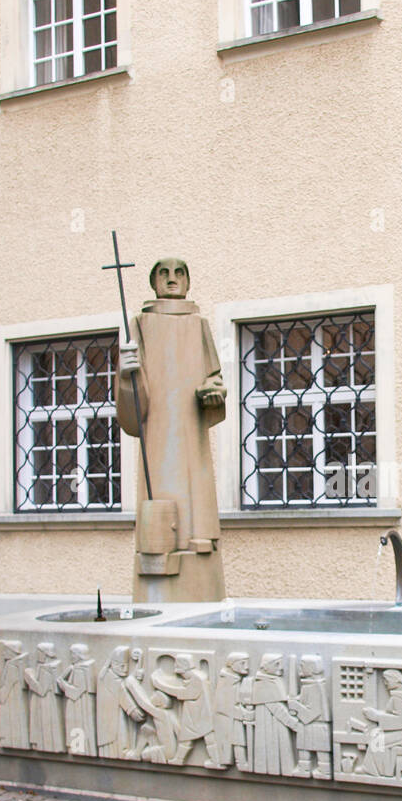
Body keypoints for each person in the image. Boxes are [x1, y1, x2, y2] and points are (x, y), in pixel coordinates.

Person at [117, 258, 227, 603]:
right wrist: (126, 377)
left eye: (179, 273)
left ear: (188, 281)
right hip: (158, 436)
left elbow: (214, 376)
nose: (171, 279)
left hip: (191, 434)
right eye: (163, 274)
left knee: (197, 512)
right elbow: (133, 406)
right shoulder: (140, 324)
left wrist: (213, 393)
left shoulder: (199, 324)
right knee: (160, 520)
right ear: (154, 282)